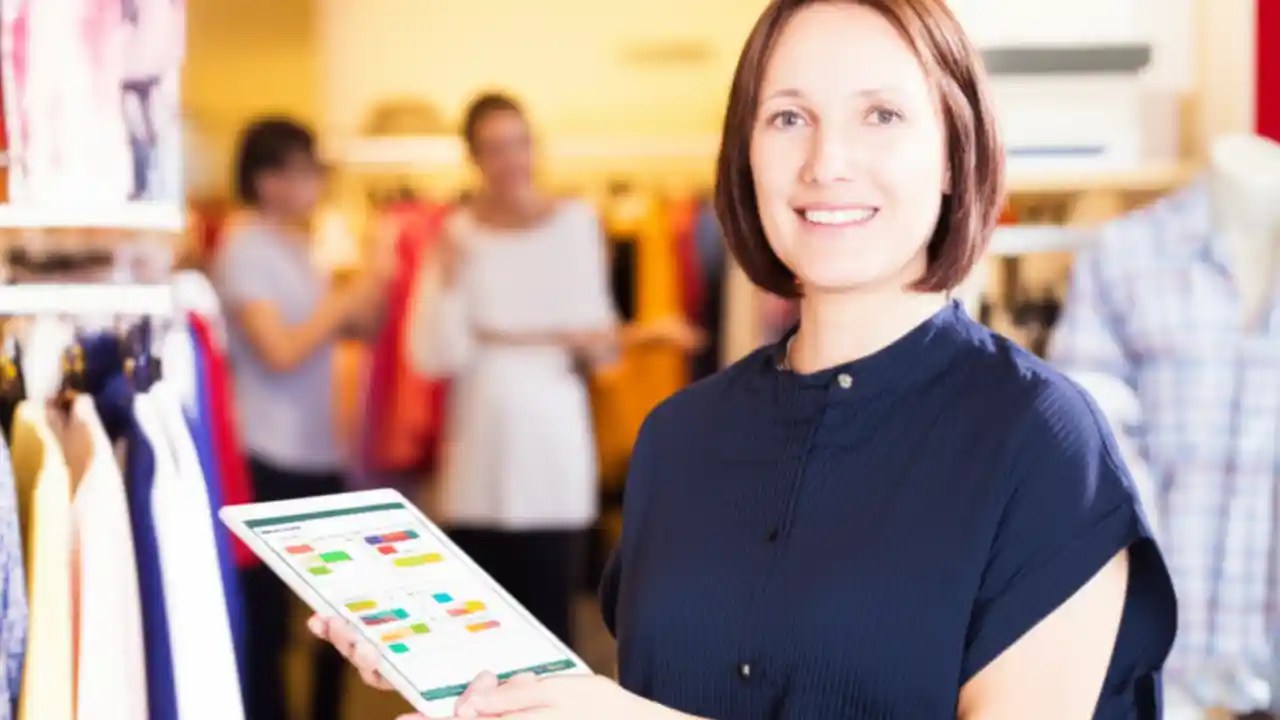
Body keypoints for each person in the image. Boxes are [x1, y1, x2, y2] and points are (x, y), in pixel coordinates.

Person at [311, 1, 1178, 717]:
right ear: (746, 153)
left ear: (954, 152)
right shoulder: (679, 440)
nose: (826, 162)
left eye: (881, 114)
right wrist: (504, 689)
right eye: (789, 116)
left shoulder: (1039, 441)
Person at [399, 92, 698, 647]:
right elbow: (431, 353)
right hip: (479, 451)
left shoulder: (577, 223)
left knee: (549, 623)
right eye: (493, 147)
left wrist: (619, 336)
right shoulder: (456, 235)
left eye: (520, 143)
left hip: (551, 449)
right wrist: (448, 281)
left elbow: (600, 348)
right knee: (477, 630)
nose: (511, 159)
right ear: (473, 157)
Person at [213, 117, 389, 720]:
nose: (316, 183)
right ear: (269, 180)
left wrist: (374, 276)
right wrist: (342, 300)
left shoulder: (297, 245)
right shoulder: (243, 247)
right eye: (305, 170)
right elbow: (281, 350)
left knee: (338, 622)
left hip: (317, 452)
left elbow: (351, 330)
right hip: (267, 453)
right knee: (269, 626)